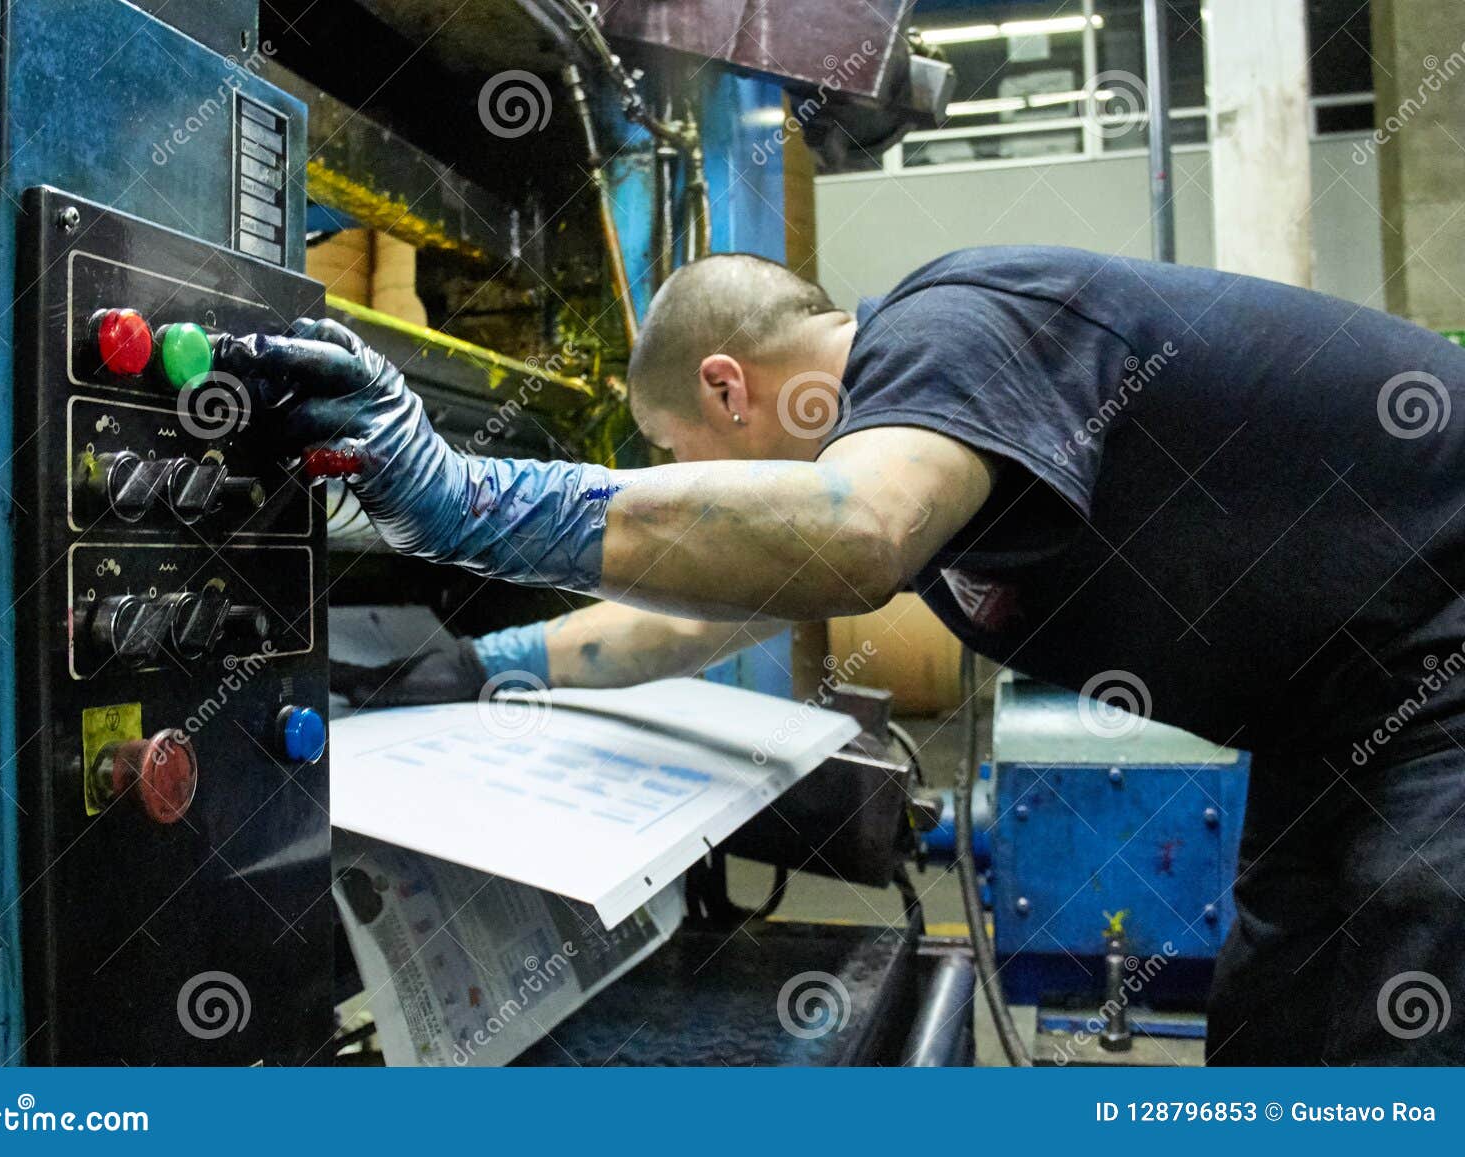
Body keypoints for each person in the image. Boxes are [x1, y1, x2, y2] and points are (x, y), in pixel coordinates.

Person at [217, 246, 1465, 1065]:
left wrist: (465, 497)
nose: (675, 491)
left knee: (1402, 1036)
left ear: (726, 388)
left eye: (670, 455)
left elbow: (847, 537)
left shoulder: (946, 329)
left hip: (1442, 655)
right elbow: (689, 612)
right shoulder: (925, 441)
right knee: (1279, 1029)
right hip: (1350, 711)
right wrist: (469, 670)